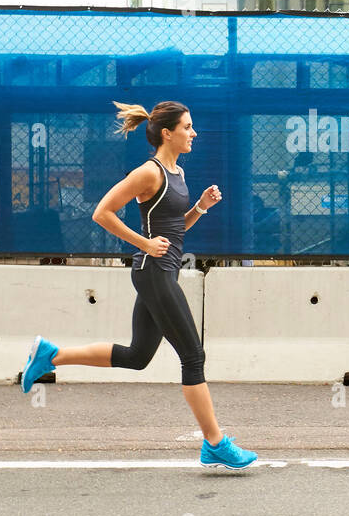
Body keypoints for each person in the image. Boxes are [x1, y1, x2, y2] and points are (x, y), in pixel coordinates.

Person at [20, 100, 258, 471]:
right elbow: (102, 212)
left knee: (137, 356)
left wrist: (200, 208)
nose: (194, 133)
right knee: (193, 357)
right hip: (154, 271)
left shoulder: (176, 173)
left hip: (163, 269)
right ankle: (215, 443)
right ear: (168, 133)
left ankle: (52, 355)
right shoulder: (149, 172)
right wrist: (144, 244)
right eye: (187, 127)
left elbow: (174, 230)